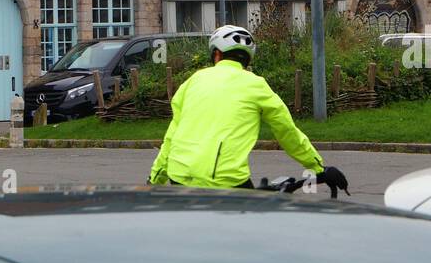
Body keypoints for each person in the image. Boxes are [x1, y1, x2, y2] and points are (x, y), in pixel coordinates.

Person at [149, 24, 349, 195]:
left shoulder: (192, 82)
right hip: (225, 181)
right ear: (247, 60)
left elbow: (171, 137)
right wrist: (317, 167)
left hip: (179, 177)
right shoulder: (256, 85)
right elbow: (287, 132)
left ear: (216, 54)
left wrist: (154, 181)